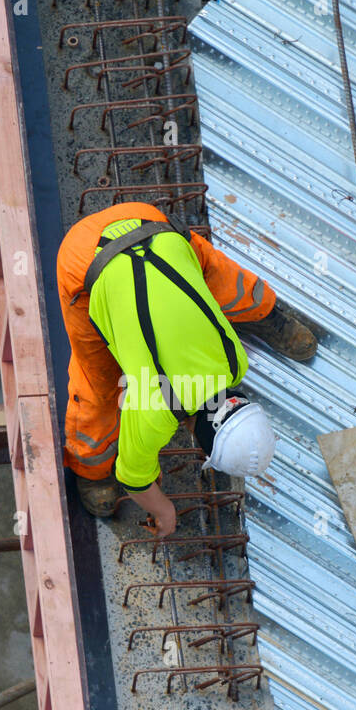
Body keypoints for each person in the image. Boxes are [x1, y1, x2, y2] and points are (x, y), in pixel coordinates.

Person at [56, 202, 317, 536]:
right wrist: (164, 510)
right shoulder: (154, 409)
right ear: (199, 441)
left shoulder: (234, 361)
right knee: (100, 382)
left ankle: (263, 312)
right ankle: (92, 470)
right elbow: (134, 478)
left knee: (210, 271)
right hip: (83, 261)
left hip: (148, 222)